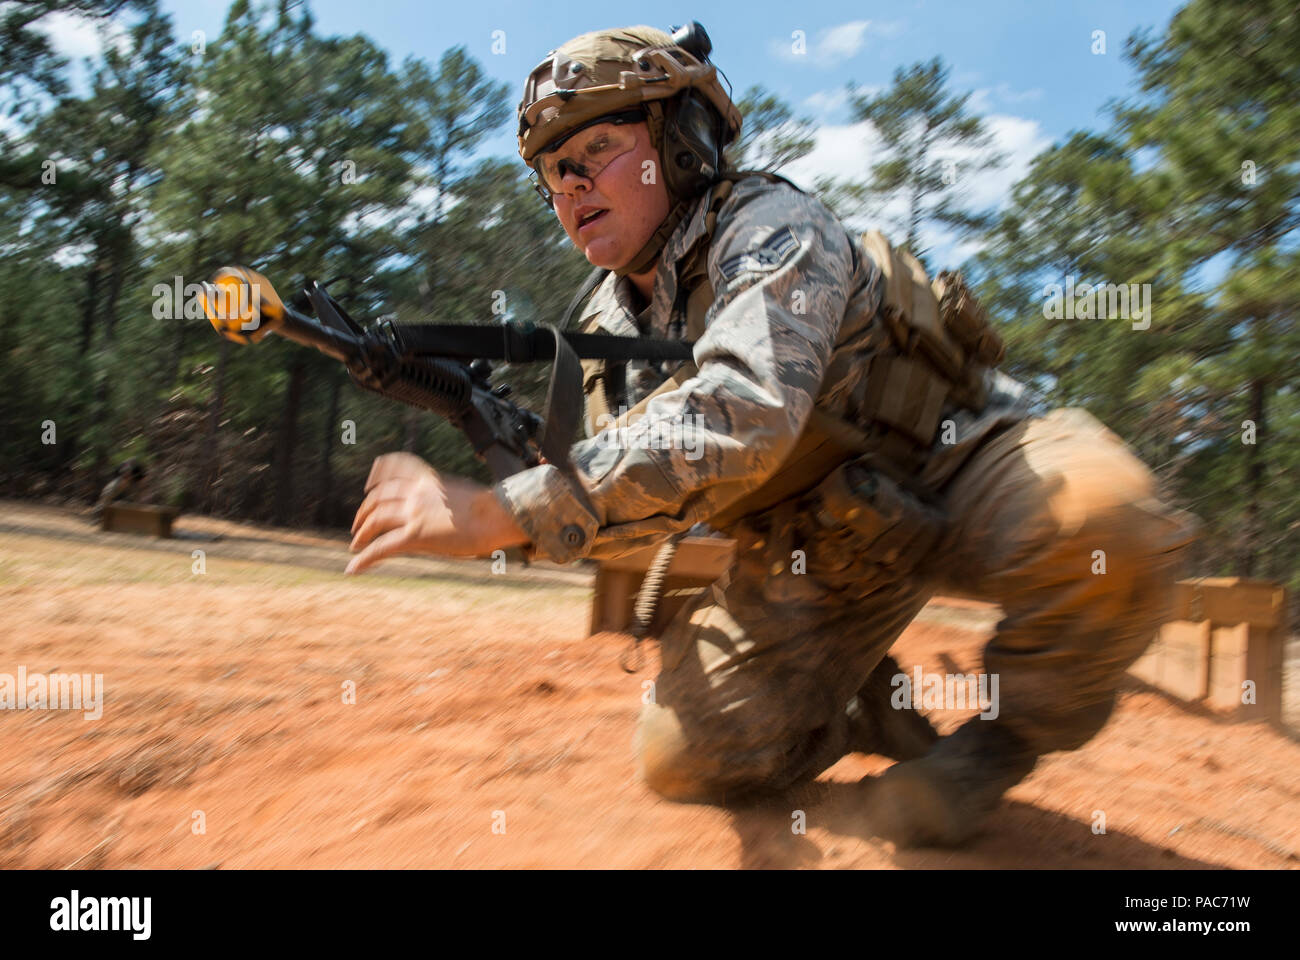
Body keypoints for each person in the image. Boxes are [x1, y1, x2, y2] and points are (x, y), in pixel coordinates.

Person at [346, 24, 1198, 847]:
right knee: (685, 760)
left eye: (594, 150)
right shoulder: (604, 328)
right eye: (550, 172)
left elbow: (748, 406)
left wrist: (504, 510)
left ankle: (994, 749)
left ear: (680, 138)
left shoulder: (769, 225)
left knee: (1108, 520)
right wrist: (506, 460)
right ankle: (855, 699)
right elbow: (651, 514)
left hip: (959, 461)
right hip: (826, 545)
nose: (569, 185)